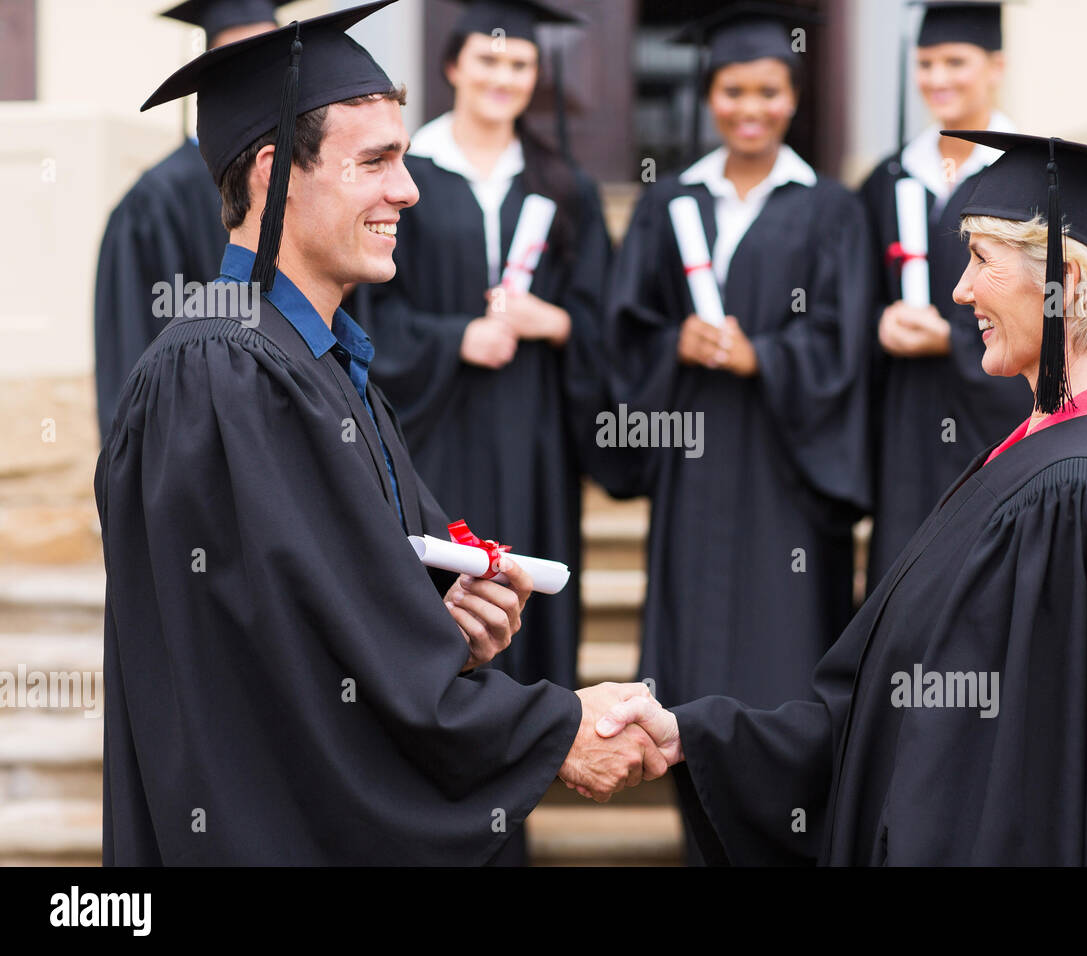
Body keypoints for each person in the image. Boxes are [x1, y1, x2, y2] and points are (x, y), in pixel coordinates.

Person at [96, 0, 664, 866]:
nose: (408, 188)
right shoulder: (220, 374)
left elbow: (329, 618)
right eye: (376, 162)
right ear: (269, 174)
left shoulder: (324, 368)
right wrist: (557, 727)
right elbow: (281, 675)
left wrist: (442, 626)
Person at [596, 133, 1087, 865]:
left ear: (1061, 280)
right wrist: (698, 734)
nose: (961, 290)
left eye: (981, 262)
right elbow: (893, 718)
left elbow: (1044, 804)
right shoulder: (1036, 460)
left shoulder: (1077, 499)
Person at [604, 2, 871, 862]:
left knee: (780, 667)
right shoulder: (669, 204)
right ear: (708, 96)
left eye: (767, 89)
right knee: (693, 666)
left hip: (788, 484)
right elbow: (626, 331)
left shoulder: (830, 209)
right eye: (732, 89)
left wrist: (767, 356)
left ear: (792, 98)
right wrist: (673, 342)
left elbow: (846, 339)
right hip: (692, 467)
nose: (748, 106)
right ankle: (703, 840)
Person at [353, 0, 610, 697]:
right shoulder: (408, 180)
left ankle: (525, 769)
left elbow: (602, 319)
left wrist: (553, 323)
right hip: (436, 436)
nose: (504, 76)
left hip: (534, 441)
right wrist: (456, 337)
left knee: (525, 604)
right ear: (453, 66)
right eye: (489, 60)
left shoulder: (565, 188)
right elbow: (370, 312)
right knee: (444, 603)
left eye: (520, 64)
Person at [859, 0, 1031, 592]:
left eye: (955, 61)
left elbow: (1046, 303)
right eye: (925, 63)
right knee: (904, 575)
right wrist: (877, 324)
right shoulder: (887, 180)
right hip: (906, 418)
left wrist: (951, 337)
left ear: (996, 66)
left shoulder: (1031, 171)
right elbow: (853, 295)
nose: (937, 79)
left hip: (994, 412)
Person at [93, 0, 293, 441]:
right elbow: (130, 355)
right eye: (239, 54)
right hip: (199, 445)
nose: (258, 69)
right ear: (208, 71)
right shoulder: (153, 203)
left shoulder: (296, 178)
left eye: (272, 56)